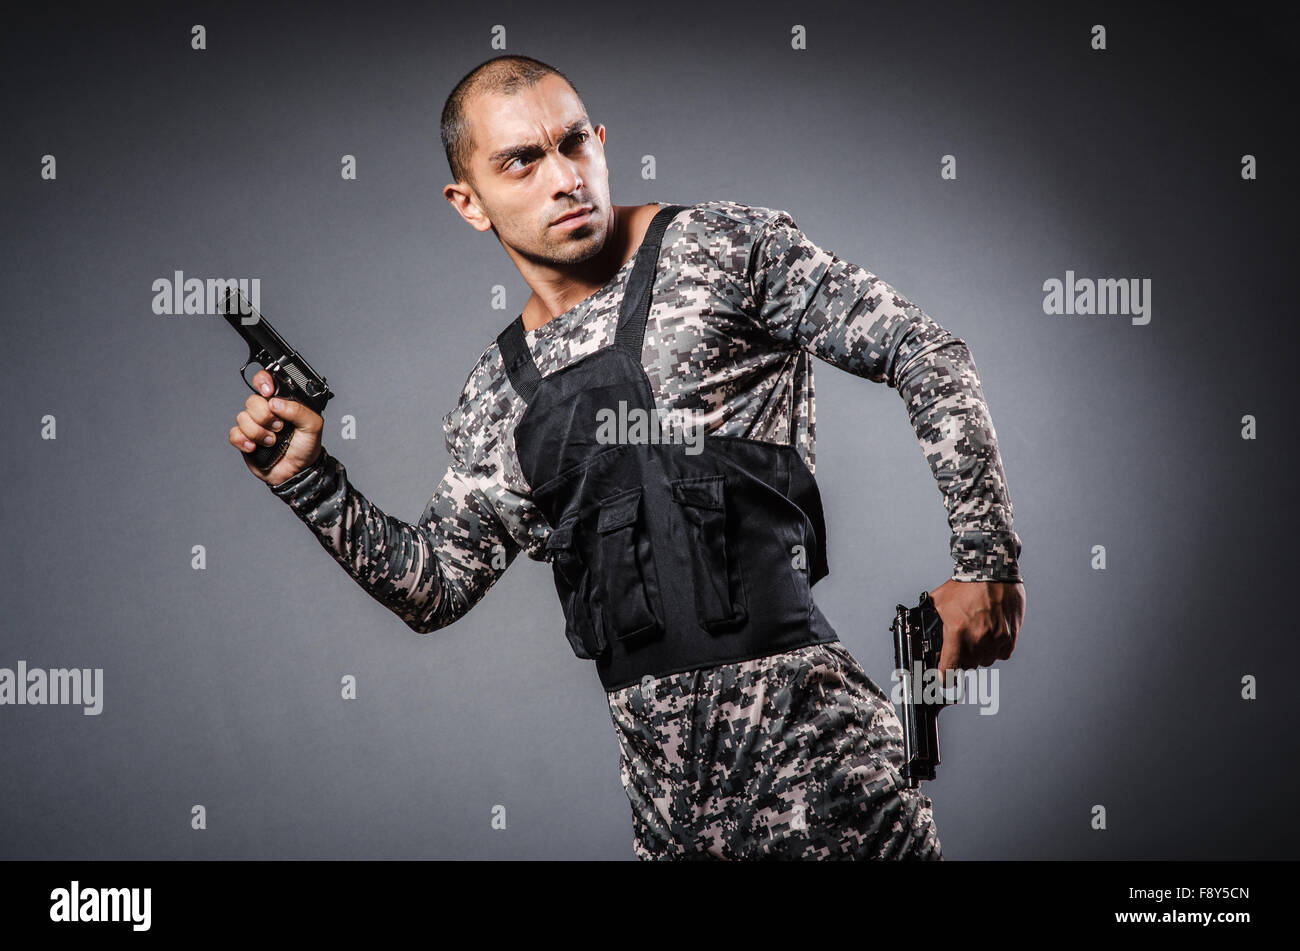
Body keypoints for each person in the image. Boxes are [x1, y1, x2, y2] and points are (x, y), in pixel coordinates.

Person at [227, 54, 1026, 860]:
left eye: (575, 144)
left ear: (601, 142)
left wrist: (987, 559)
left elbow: (924, 351)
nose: (564, 177)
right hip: (671, 820)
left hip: (829, 780)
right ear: (469, 203)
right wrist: (308, 481)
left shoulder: (722, 250)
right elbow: (434, 586)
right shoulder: (496, 397)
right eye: (522, 162)